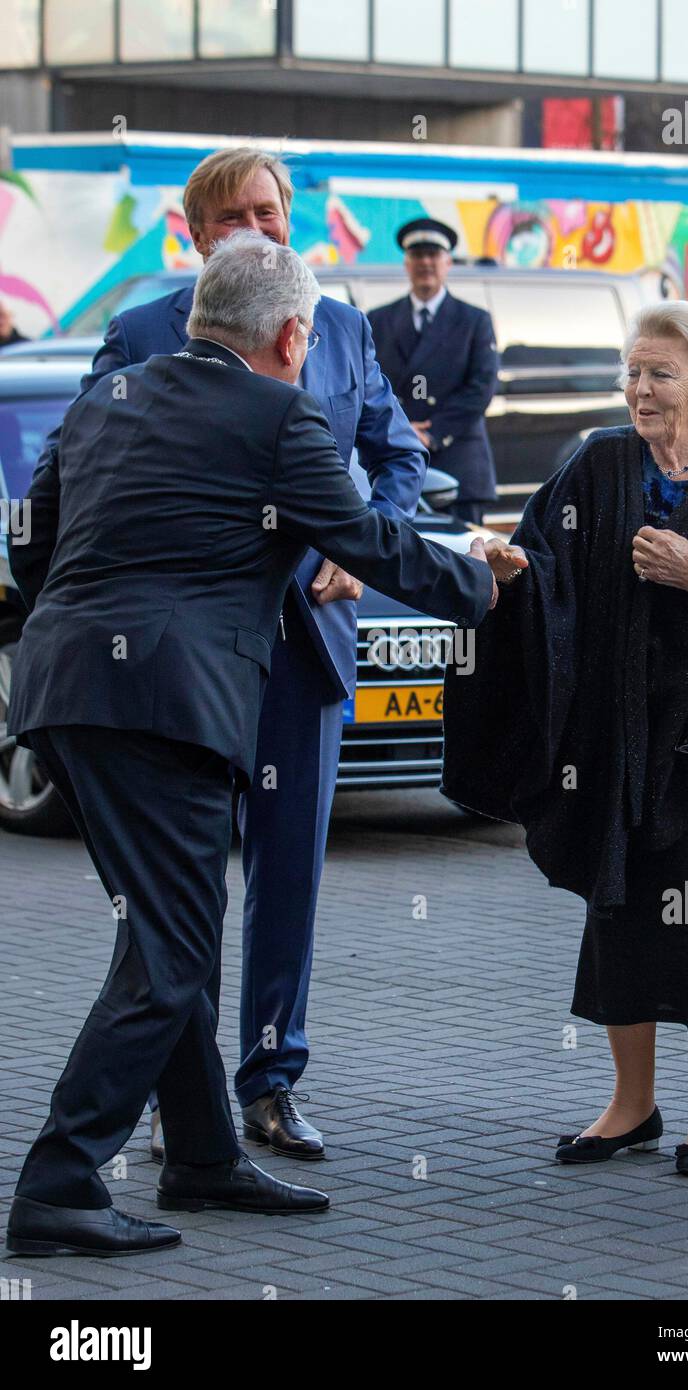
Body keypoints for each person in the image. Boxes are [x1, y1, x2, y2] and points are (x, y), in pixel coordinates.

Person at [4, 231, 497, 1257]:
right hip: (167, 708)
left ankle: (201, 1155)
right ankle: (59, 1181)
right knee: (173, 949)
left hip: (63, 692)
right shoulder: (280, 415)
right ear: (288, 333)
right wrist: (482, 581)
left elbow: (32, 534)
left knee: (162, 929)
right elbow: (367, 540)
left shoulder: (108, 397)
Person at [33, 146, 428, 1165]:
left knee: (288, 869)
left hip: (301, 641)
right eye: (231, 216)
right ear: (194, 233)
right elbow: (74, 474)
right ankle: (184, 1097)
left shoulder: (338, 325)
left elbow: (396, 457)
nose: (254, 229)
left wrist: (361, 540)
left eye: (269, 211)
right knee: (183, 882)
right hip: (186, 653)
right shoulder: (141, 332)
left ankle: (270, 1081)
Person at [442, 300, 688, 1177]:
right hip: (614, 739)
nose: (640, 388)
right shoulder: (601, 464)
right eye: (632, 371)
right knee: (615, 911)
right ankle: (631, 1106)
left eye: (660, 372)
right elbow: (544, 563)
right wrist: (513, 574)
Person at [368, 217, 499, 525]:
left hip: (458, 462)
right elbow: (369, 383)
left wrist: (432, 433)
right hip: (398, 462)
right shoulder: (379, 320)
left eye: (433, 255)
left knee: (466, 558)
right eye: (417, 255)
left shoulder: (474, 320)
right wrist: (400, 427)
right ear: (406, 263)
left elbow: (481, 387)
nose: (425, 262)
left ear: (447, 262)